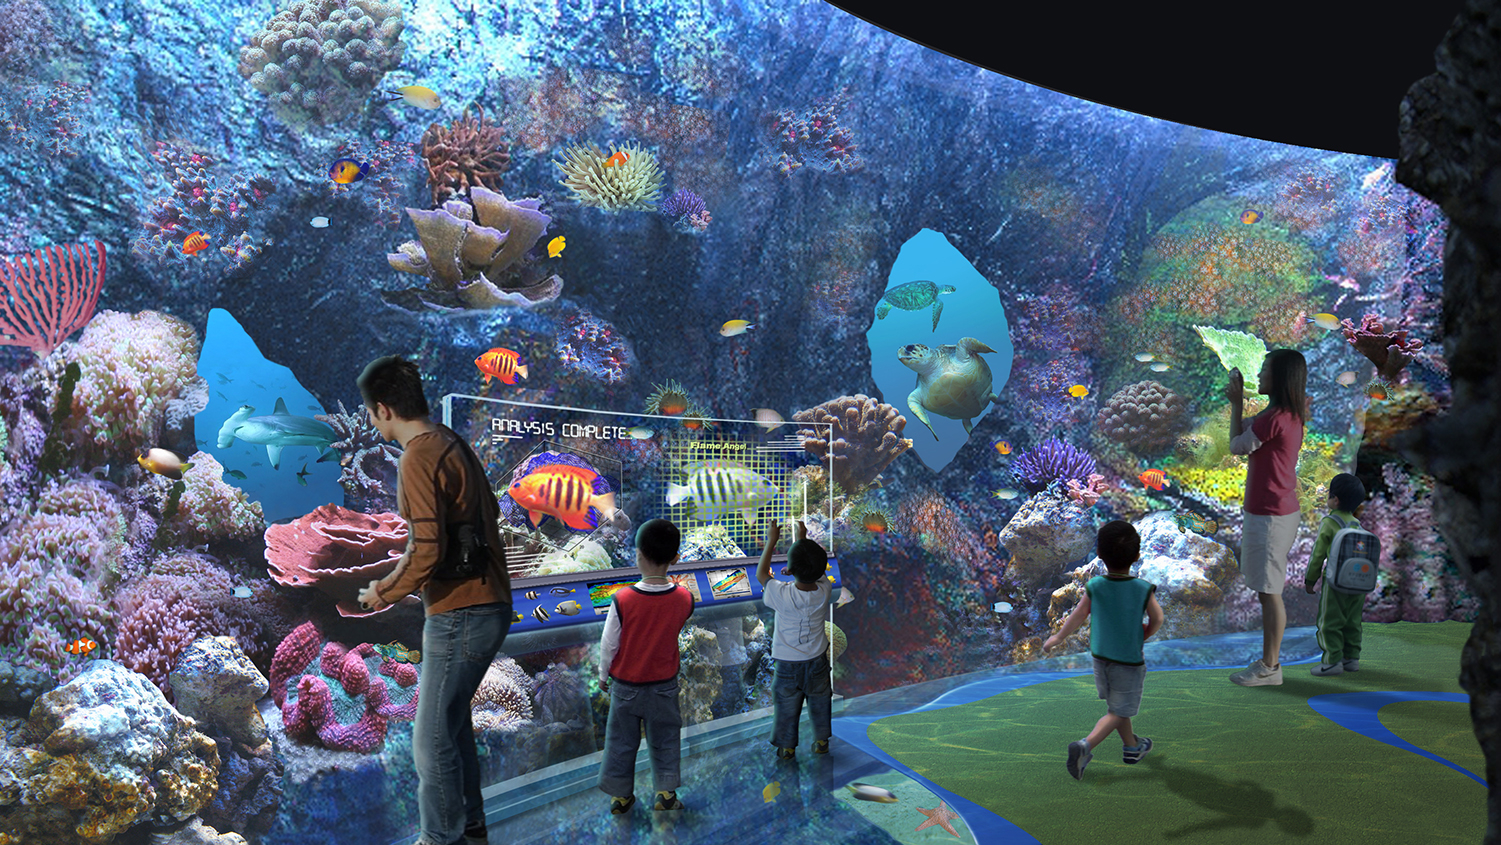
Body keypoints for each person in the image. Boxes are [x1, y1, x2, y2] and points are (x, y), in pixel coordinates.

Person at [352, 355, 512, 845]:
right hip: (490, 601)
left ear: (383, 409)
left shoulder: (418, 456)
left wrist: (382, 592)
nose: (372, 421)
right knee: (453, 727)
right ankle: (471, 830)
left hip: (461, 609)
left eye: (370, 413)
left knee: (430, 738)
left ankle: (440, 838)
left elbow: (426, 550)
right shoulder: (451, 442)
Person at [1043, 520, 1164, 780]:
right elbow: (1158, 619)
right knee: (1119, 710)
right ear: (1137, 555)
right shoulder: (1142, 589)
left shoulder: (1096, 585)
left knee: (1117, 706)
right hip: (1128, 662)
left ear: (1099, 553)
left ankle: (1132, 747)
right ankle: (1085, 746)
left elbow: (1078, 615)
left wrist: (1058, 637)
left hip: (1100, 659)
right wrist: (1144, 634)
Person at [597, 518, 696, 815]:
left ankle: (621, 798)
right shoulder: (684, 598)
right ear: (675, 559)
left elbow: (609, 644)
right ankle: (665, 794)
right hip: (664, 686)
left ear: (637, 554)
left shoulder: (623, 598)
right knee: (666, 739)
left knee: (620, 742)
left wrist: (603, 675)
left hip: (626, 687)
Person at [1225, 349, 1308, 687]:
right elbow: (1241, 435)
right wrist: (1238, 405)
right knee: (1266, 589)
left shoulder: (1274, 419)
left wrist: (1236, 404)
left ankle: (1270, 668)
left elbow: (1237, 446)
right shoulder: (1285, 415)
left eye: (1265, 370)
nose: (1259, 375)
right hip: (1272, 512)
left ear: (1281, 378)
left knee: (1270, 591)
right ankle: (1268, 662)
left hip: (1271, 516)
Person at [756, 519, 834, 760]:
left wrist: (771, 541)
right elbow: (814, 572)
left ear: (790, 569)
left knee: (786, 706)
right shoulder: (825, 590)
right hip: (818, 661)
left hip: (788, 665)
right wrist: (802, 539)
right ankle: (821, 741)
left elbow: (761, 574)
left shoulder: (781, 593)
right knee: (820, 702)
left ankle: (787, 747)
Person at [1304, 473, 1369, 676]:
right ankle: (1351, 659)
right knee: (1352, 621)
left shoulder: (1329, 523)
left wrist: (1310, 580)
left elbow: (1318, 555)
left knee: (1329, 621)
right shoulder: (1358, 525)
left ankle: (1332, 662)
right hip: (1359, 583)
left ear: (1335, 500)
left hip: (1336, 582)